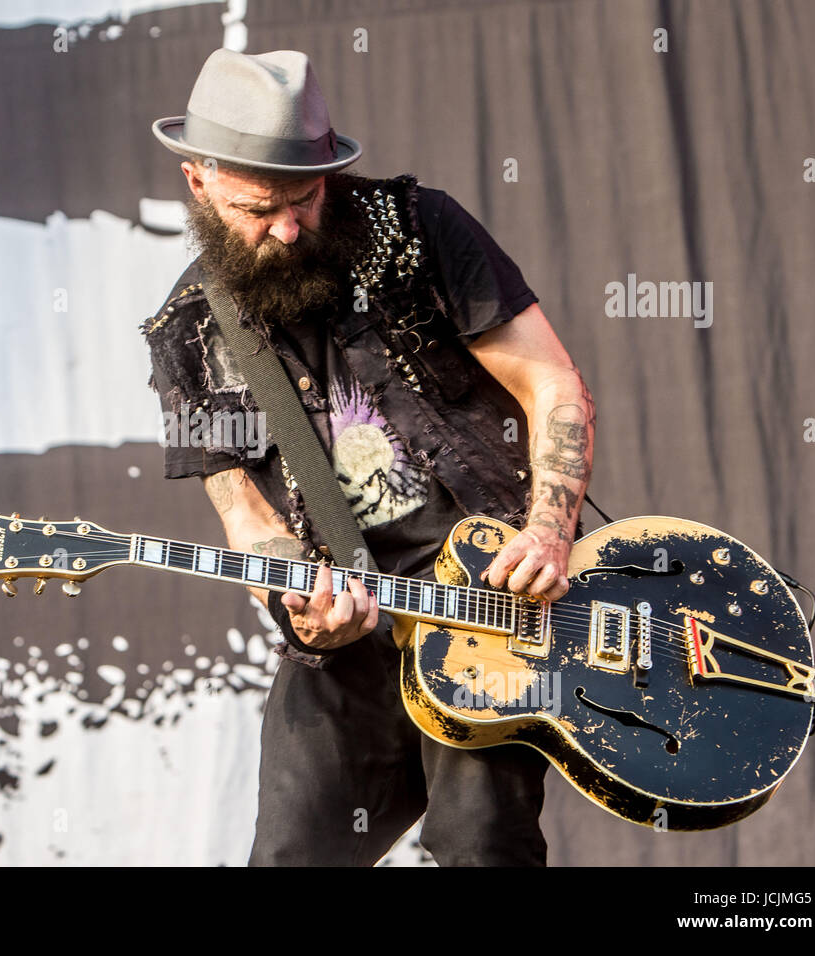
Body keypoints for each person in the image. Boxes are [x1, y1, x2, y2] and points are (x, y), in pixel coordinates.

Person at [141, 48, 595, 866]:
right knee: (292, 855)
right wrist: (305, 618)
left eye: (305, 198)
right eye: (258, 207)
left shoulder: (418, 230)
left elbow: (552, 382)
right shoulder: (185, 336)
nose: (287, 226)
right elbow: (249, 520)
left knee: (481, 843)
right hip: (347, 624)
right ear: (198, 180)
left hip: (484, 603)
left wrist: (549, 531)